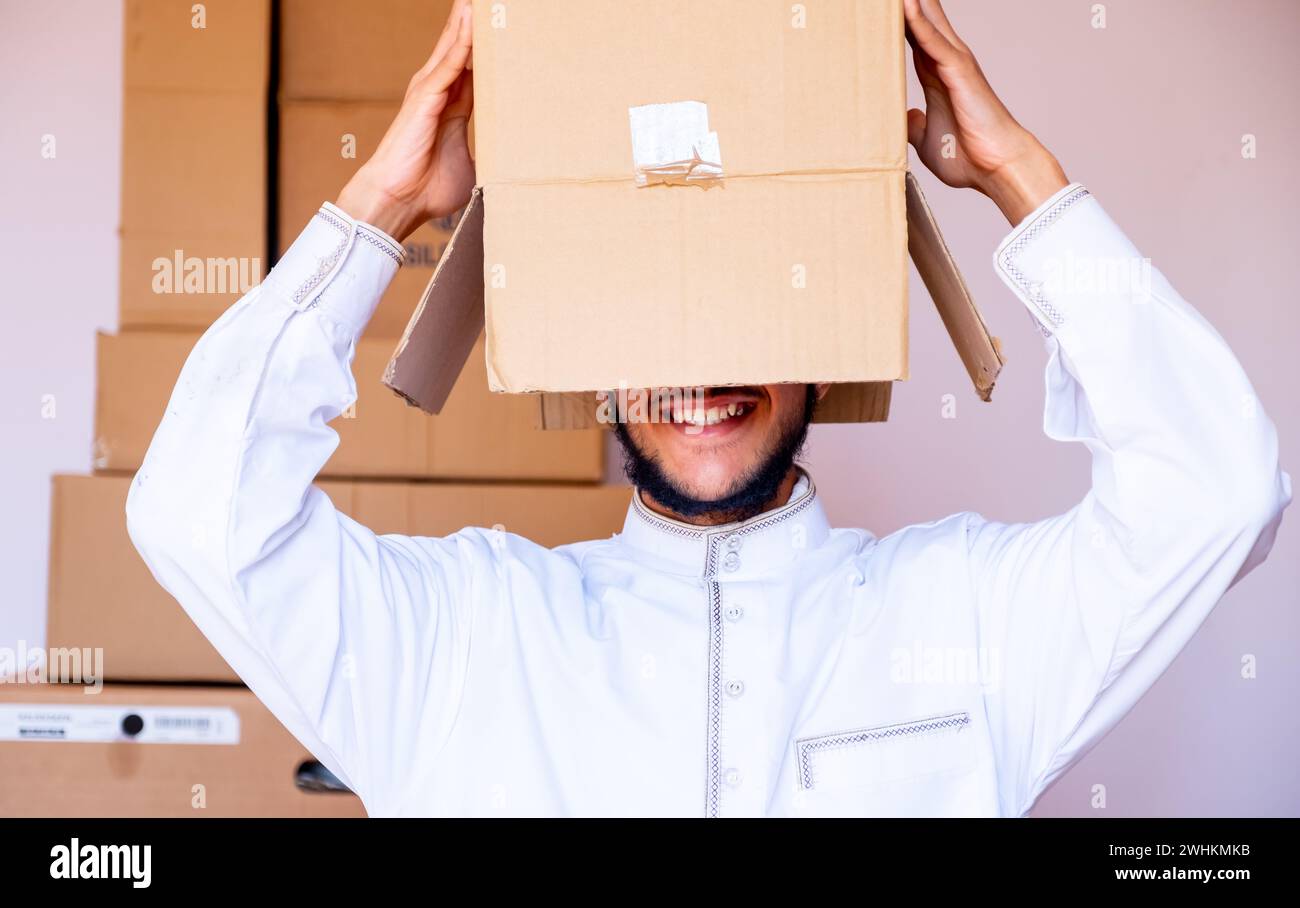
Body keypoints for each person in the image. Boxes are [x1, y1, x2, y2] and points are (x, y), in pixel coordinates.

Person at [126, 0, 1289, 817]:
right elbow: (194, 514)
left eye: (752, 289)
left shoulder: (967, 623)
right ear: (584, 349)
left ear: (827, 319)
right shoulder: (462, 636)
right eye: (654, 304)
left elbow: (1220, 492)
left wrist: (1014, 173)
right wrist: (382, 204)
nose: (702, 361)